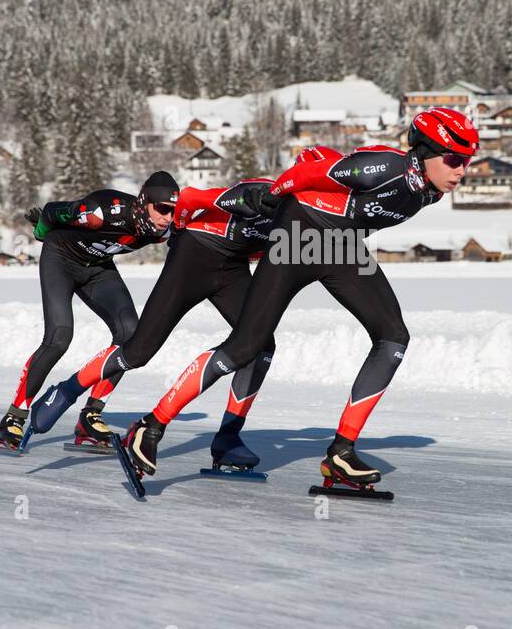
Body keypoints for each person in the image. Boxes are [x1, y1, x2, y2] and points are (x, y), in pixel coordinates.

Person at [118, 108, 479, 490]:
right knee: (246, 346)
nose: (461, 171)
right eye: (454, 159)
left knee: (393, 336)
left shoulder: (431, 192)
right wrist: (273, 198)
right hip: (298, 233)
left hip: (340, 247)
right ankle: (150, 427)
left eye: (467, 162)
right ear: (423, 152)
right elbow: (308, 174)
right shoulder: (385, 167)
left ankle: (341, 453)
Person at [19, 164, 327, 468]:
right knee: (138, 350)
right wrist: (43, 230)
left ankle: (228, 438)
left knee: (261, 344)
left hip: (231, 268)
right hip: (195, 254)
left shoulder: (319, 223)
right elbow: (192, 197)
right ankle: (67, 390)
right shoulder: (264, 194)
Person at [0, 171, 179, 450]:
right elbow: (53, 211)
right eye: (162, 209)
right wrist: (41, 232)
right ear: (144, 202)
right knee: (59, 338)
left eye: (173, 212)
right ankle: (12, 418)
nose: (167, 218)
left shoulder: (163, 229)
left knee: (131, 335)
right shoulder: (101, 212)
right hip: (60, 260)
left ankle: (90, 416)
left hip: (98, 268)